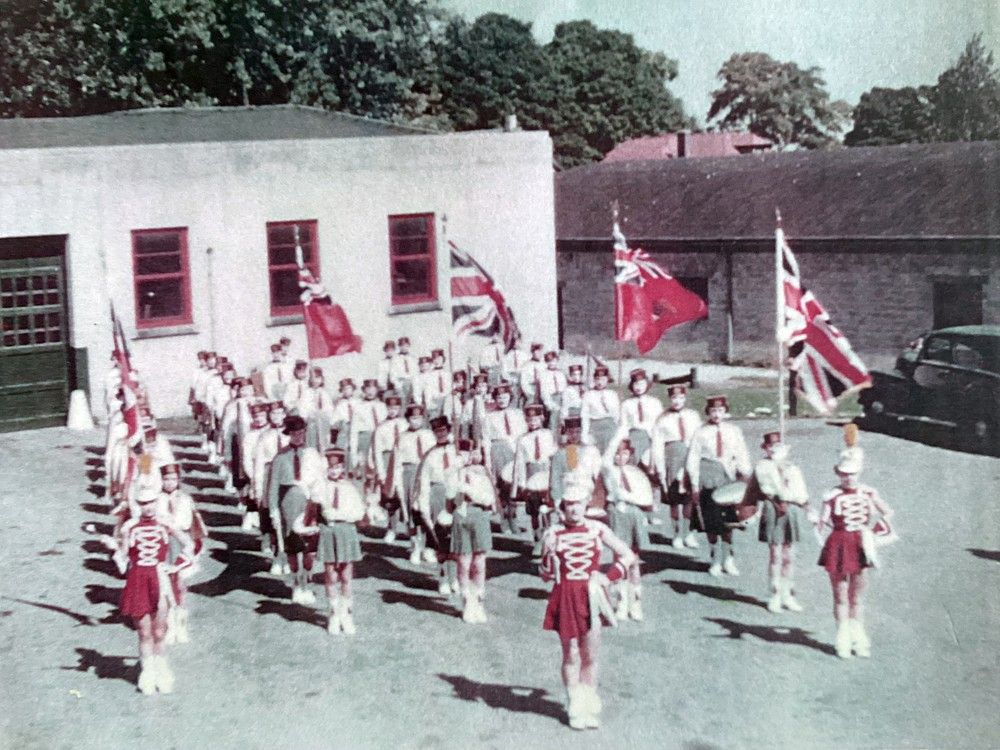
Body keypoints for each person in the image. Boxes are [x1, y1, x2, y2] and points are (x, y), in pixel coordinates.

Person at [540, 486, 636, 730]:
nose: (574, 508)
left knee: (590, 653)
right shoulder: (553, 532)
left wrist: (608, 576)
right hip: (565, 594)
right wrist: (548, 554)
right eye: (569, 503)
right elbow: (544, 575)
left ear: (586, 503)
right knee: (570, 652)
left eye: (578, 503)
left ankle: (587, 700)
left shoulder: (598, 529)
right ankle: (574, 702)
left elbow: (627, 555)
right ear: (563, 506)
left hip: (592, 595)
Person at [817, 428, 894, 659]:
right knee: (840, 595)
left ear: (859, 472)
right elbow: (821, 522)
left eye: (852, 473)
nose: (848, 477)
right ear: (838, 474)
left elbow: (888, 512)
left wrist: (876, 530)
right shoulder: (831, 496)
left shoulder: (869, 492)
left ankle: (858, 637)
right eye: (844, 473)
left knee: (857, 596)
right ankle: (842, 638)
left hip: (861, 544)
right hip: (838, 544)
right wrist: (816, 521)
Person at [116, 479, 194, 695]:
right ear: (137, 504)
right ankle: (147, 673)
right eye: (143, 503)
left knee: (160, 631)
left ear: (156, 502)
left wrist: (176, 566)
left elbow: (189, 544)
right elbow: (122, 562)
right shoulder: (129, 527)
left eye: (151, 502)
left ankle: (162, 671)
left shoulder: (165, 523)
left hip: (159, 578)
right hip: (138, 580)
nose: (147, 507)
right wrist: (116, 546)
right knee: (144, 632)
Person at [295, 448, 365, 635]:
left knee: (346, 576)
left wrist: (341, 514)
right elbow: (312, 509)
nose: (334, 471)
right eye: (331, 467)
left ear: (343, 467)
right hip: (328, 532)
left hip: (346, 531)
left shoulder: (350, 487)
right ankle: (333, 614)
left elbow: (358, 512)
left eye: (338, 467)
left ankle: (346, 614)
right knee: (331, 575)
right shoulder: (320, 486)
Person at [686, 395, 752, 577]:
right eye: (713, 411)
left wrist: (746, 475)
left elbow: (742, 454)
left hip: (728, 478)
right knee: (712, 521)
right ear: (708, 412)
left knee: (729, 521)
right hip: (708, 477)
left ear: (725, 411)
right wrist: (694, 484)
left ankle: (728, 558)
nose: (717, 414)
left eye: (720, 410)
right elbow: (693, 458)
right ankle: (715, 558)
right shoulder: (701, 432)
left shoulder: (734, 431)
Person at [266, 415, 325, 604]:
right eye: (294, 433)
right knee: (292, 547)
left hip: (309, 503)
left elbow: (320, 481)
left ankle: (306, 582)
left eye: (301, 433)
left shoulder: (313, 454)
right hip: (288, 503)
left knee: (309, 547)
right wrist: (273, 509)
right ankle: (295, 584)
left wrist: (320, 504)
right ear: (288, 434)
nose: (298, 436)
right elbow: (273, 485)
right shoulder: (280, 457)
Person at [751, 431, 810, 613]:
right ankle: (774, 594)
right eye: (770, 447)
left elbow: (800, 492)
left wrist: (804, 503)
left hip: (790, 509)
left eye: (778, 446)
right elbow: (769, 487)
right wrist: (778, 468)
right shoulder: (763, 466)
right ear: (766, 448)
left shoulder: (792, 468)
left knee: (789, 556)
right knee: (775, 554)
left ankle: (787, 594)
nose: (774, 450)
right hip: (773, 507)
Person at [602, 438, 652, 621]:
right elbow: (606, 458)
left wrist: (632, 497)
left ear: (630, 455)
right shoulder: (609, 471)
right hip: (617, 512)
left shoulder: (635, 473)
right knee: (620, 559)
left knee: (634, 561)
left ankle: (635, 604)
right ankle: (621, 604)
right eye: (617, 453)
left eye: (624, 453)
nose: (620, 457)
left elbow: (645, 498)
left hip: (634, 513)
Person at [157, 463, 207, 645]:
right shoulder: (157, 499)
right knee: (165, 584)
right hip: (164, 545)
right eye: (166, 479)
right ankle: (169, 624)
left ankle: (181, 623)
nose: (170, 483)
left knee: (179, 584)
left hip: (181, 544)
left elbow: (190, 522)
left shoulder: (186, 499)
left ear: (178, 480)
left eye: (173, 479)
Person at [449, 441, 497, 623]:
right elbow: (450, 493)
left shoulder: (482, 473)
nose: (464, 457)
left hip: (479, 515)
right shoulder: (453, 473)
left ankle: (479, 600)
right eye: (460, 453)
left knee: (480, 561)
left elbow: (488, 498)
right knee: (463, 562)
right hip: (461, 515)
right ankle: (466, 601)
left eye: (467, 453)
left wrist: (470, 489)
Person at [413, 415, 460, 594]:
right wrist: (424, 507)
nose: (441, 435)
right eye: (437, 432)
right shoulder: (430, 455)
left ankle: (454, 576)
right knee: (440, 539)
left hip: (455, 494)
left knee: (455, 539)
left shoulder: (457, 452)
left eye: (443, 431)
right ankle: (442, 578)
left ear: (449, 431)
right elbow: (424, 483)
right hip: (437, 495)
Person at [651, 384, 701, 548]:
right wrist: (659, 468)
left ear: (685, 398)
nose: (677, 401)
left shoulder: (693, 416)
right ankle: (677, 533)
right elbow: (657, 445)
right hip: (671, 459)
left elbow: (699, 438)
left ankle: (688, 533)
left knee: (689, 499)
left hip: (690, 457)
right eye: (674, 398)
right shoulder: (662, 418)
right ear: (669, 399)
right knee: (674, 500)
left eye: (680, 398)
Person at [391, 404, 436, 564]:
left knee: (428, 511)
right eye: (412, 418)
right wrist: (397, 481)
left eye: (419, 418)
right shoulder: (401, 437)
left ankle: (429, 548)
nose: (416, 421)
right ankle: (415, 546)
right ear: (407, 419)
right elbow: (396, 462)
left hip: (427, 472)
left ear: (423, 419)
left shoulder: (430, 435)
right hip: (409, 473)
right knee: (412, 511)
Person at [512, 403, 558, 550]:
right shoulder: (522, 439)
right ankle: (537, 537)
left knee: (547, 506)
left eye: (536, 419)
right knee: (534, 509)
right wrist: (522, 483)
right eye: (529, 420)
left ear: (542, 418)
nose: (533, 422)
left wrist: (554, 476)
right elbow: (520, 462)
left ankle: (549, 537)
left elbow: (554, 456)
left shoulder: (548, 435)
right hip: (531, 472)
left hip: (546, 472)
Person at [482, 382, 526, 533]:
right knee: (501, 486)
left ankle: (513, 518)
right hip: (497, 450)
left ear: (510, 397)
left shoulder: (518, 414)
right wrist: (488, 460)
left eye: (505, 396)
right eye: (498, 397)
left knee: (513, 486)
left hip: (514, 450)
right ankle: (503, 520)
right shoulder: (489, 417)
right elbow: (486, 440)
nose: (502, 400)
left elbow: (523, 434)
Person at [254, 402, 289, 574]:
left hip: (287, 476)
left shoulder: (291, 435)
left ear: (285, 414)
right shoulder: (264, 436)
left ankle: (287, 555)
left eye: (279, 413)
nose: (276, 417)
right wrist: (258, 488)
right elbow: (259, 463)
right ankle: (277, 555)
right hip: (269, 475)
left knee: (288, 516)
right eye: (273, 414)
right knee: (273, 517)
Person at [369, 394, 408, 542]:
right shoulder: (381, 427)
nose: (393, 411)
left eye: (396, 408)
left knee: (405, 495)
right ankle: (391, 528)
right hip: (387, 459)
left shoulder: (405, 424)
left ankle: (409, 528)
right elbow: (377, 451)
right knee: (390, 497)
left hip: (402, 460)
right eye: (390, 408)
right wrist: (381, 471)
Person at [549, 417, 603, 516]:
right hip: (567, 493)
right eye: (571, 432)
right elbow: (555, 479)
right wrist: (557, 500)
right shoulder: (560, 453)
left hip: (587, 493)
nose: (574, 435)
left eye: (577, 432)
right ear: (566, 432)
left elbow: (598, 477)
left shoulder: (591, 451)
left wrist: (595, 499)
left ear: (582, 431)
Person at [240, 403, 270, 530]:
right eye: (256, 416)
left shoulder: (271, 433)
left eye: (262, 416)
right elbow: (246, 457)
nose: (259, 419)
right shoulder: (250, 436)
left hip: (269, 468)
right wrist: (251, 475)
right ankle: (251, 514)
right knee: (254, 493)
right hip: (254, 468)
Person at [580, 366, 620, 455]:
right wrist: (584, 434)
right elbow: (585, 415)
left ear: (607, 380)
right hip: (595, 427)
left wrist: (619, 431)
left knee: (610, 452)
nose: (600, 382)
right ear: (594, 380)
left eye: (603, 379)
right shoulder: (588, 395)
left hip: (610, 427)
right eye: (597, 379)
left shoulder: (613, 394)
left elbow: (617, 415)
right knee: (595, 453)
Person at [352, 379, 386, 476]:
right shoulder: (358, 407)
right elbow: (354, 432)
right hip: (365, 440)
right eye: (368, 388)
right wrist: (354, 453)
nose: (370, 391)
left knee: (379, 468)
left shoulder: (382, 406)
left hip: (380, 439)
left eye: (373, 388)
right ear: (364, 390)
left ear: (377, 390)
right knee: (366, 470)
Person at [300, 367, 335, 452]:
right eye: (313, 378)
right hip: (311, 423)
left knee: (324, 444)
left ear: (322, 379)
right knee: (312, 446)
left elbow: (330, 410)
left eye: (318, 378)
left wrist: (324, 416)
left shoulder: (325, 393)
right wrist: (310, 416)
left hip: (324, 424)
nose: (315, 380)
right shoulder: (306, 393)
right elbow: (302, 409)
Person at [538, 351, 568, 432]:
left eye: (553, 361)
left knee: (564, 421)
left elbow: (565, 389)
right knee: (553, 424)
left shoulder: (561, 373)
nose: (551, 363)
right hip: (551, 400)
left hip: (562, 398)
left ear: (557, 361)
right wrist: (550, 405)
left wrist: (564, 402)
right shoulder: (543, 375)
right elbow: (544, 392)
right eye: (549, 361)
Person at [390, 336, 418, 405]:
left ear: (409, 346)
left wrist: (415, 384)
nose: (404, 347)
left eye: (406, 345)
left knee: (412, 402)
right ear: (399, 347)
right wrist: (398, 385)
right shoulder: (395, 359)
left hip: (412, 383)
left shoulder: (413, 358)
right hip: (400, 383)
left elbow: (416, 373)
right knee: (402, 402)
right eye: (401, 346)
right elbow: (392, 374)